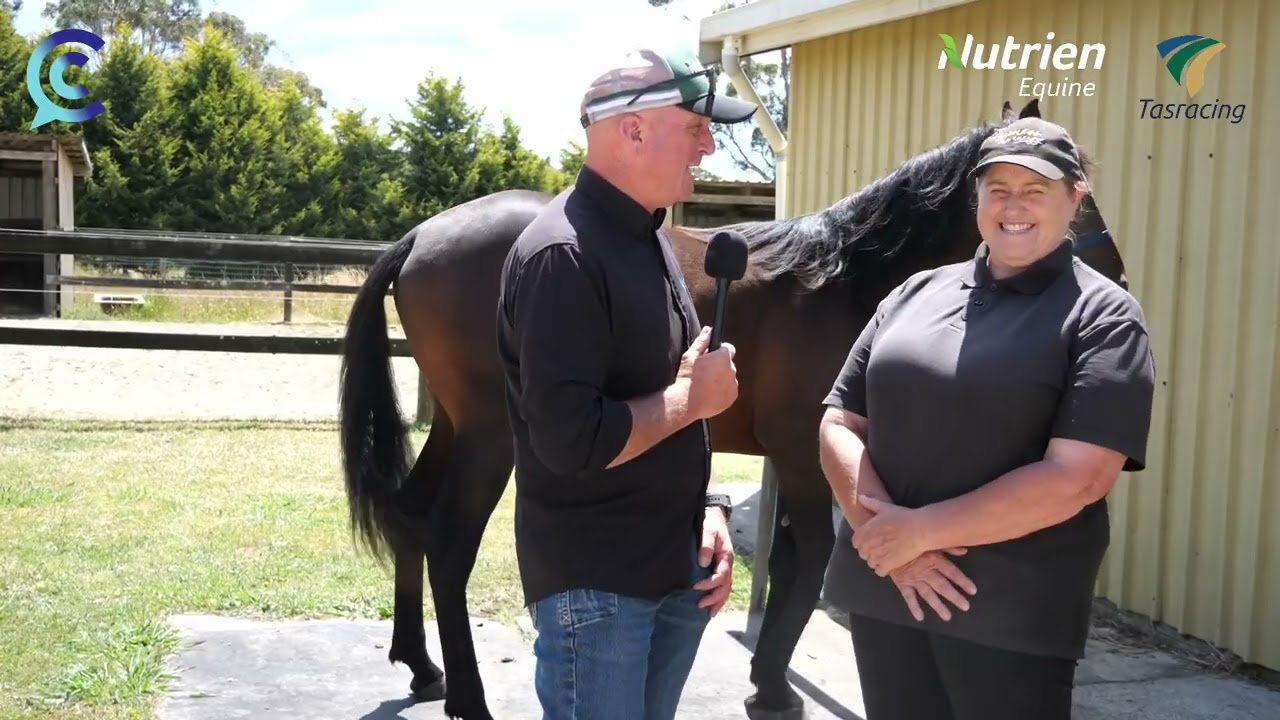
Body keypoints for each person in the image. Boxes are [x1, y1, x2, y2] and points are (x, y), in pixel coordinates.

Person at [817, 116, 1157, 720]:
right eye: (997, 189)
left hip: (1007, 612)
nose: (1012, 206)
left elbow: (1078, 477)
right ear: (976, 196)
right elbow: (841, 423)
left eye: (1035, 189)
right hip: (887, 585)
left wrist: (920, 534)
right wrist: (891, 541)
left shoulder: (1103, 315)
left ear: (1076, 195)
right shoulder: (915, 293)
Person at [495, 46, 759, 720]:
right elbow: (572, 442)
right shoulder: (564, 255)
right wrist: (689, 402)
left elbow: (664, 386)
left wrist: (710, 508)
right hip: (600, 586)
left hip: (670, 568)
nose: (708, 147)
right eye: (694, 127)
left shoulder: (647, 238)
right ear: (633, 129)